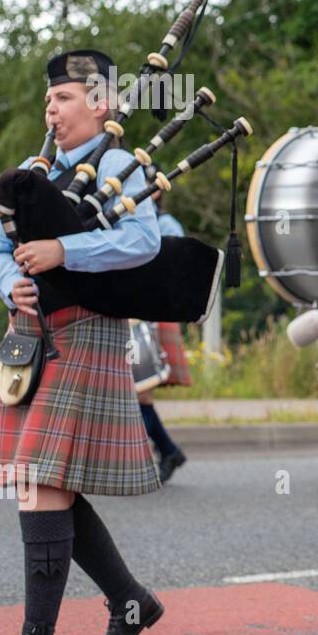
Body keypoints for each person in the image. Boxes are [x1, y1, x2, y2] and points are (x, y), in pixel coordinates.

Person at [0, 49, 165, 635]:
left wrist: (64, 251)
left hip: (87, 331)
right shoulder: (33, 171)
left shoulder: (121, 166)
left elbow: (143, 241)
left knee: (40, 482)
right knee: (44, 482)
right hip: (29, 338)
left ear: (99, 102)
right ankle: (132, 602)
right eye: (48, 99)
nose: (50, 109)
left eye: (62, 98)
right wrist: (10, 280)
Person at [136, 191, 190, 481]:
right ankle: (167, 450)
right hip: (132, 312)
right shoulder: (128, 221)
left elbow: (177, 272)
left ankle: (153, 455)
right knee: (134, 391)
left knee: (140, 390)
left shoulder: (166, 225)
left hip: (154, 314)